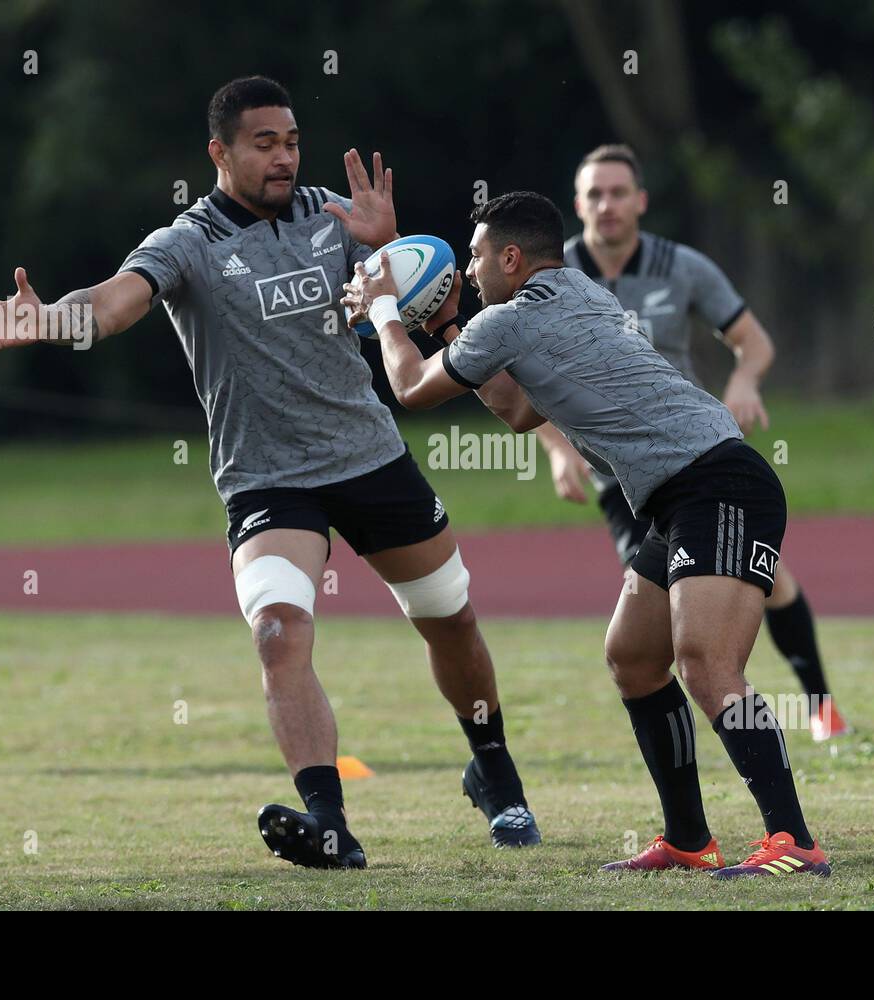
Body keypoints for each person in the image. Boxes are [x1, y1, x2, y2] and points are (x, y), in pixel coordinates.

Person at [0, 76, 540, 870]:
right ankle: (328, 820)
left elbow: (410, 303)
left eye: (292, 142)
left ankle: (494, 772)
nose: (284, 158)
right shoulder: (186, 241)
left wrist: (385, 250)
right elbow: (116, 304)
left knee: (450, 620)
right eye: (264, 144)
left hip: (369, 457)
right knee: (276, 633)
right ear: (219, 152)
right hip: (267, 480)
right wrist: (50, 318)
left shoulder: (337, 216)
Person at [342, 191, 831, 877]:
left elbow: (413, 388)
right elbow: (517, 410)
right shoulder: (579, 290)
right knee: (633, 657)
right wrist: (449, 320)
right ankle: (689, 841)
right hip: (681, 493)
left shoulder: (509, 319)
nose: (472, 270)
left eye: (479, 256)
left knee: (707, 667)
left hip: (717, 483)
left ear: (512, 258)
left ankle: (796, 842)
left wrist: (389, 308)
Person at [536, 144, 849, 742]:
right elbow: (526, 372)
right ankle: (697, 720)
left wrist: (743, 377)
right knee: (656, 606)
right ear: (577, 204)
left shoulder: (684, 267)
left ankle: (819, 706)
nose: (606, 205)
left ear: (641, 201)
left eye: (618, 192)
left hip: (693, 460)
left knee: (771, 579)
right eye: (594, 194)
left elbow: (754, 342)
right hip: (621, 478)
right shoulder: (554, 277)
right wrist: (557, 449)